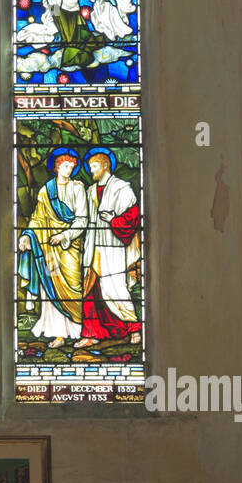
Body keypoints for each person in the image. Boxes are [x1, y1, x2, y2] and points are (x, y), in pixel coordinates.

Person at [19, 149, 88, 346]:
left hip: (71, 245)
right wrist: (26, 236)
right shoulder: (45, 191)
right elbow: (38, 219)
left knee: (74, 286)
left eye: (72, 166)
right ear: (57, 167)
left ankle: (77, 328)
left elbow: (82, 220)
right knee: (51, 287)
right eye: (65, 166)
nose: (69, 169)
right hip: (48, 247)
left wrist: (65, 235)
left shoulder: (77, 189)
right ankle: (57, 332)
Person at [75, 149, 142, 347]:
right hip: (93, 245)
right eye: (89, 167)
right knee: (91, 289)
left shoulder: (122, 188)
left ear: (105, 165)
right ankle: (92, 333)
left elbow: (133, 217)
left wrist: (113, 220)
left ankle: (134, 328)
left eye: (94, 166)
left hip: (112, 246)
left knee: (115, 288)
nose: (91, 170)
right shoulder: (89, 191)